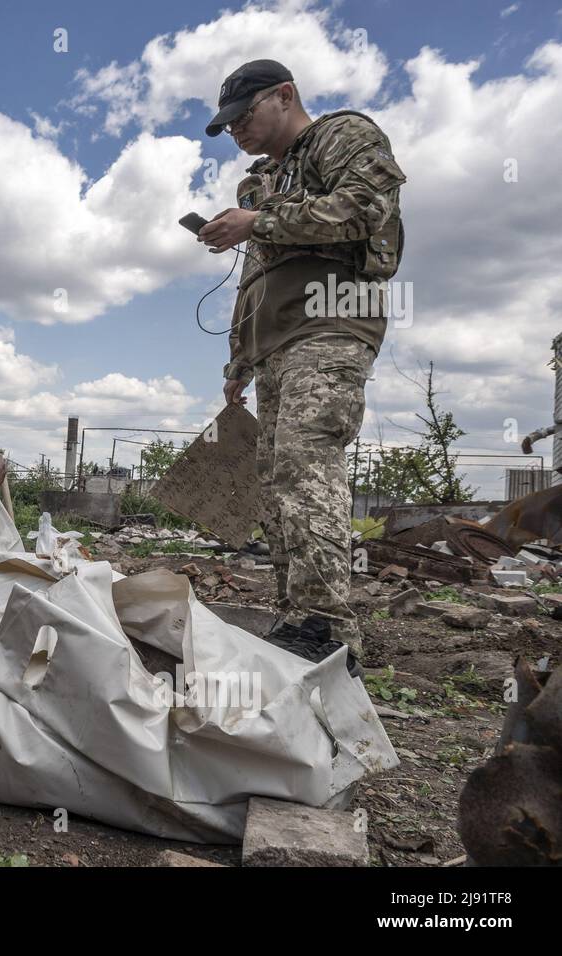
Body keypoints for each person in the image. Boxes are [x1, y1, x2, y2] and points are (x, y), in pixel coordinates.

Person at [199, 59, 406, 654]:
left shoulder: (343, 136)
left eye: (243, 115)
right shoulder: (265, 178)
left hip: (333, 320)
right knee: (275, 481)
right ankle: (298, 622)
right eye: (227, 124)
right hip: (275, 343)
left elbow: (366, 209)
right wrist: (239, 359)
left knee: (305, 465)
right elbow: (255, 275)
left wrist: (259, 219)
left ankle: (329, 632)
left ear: (284, 96)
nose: (235, 130)